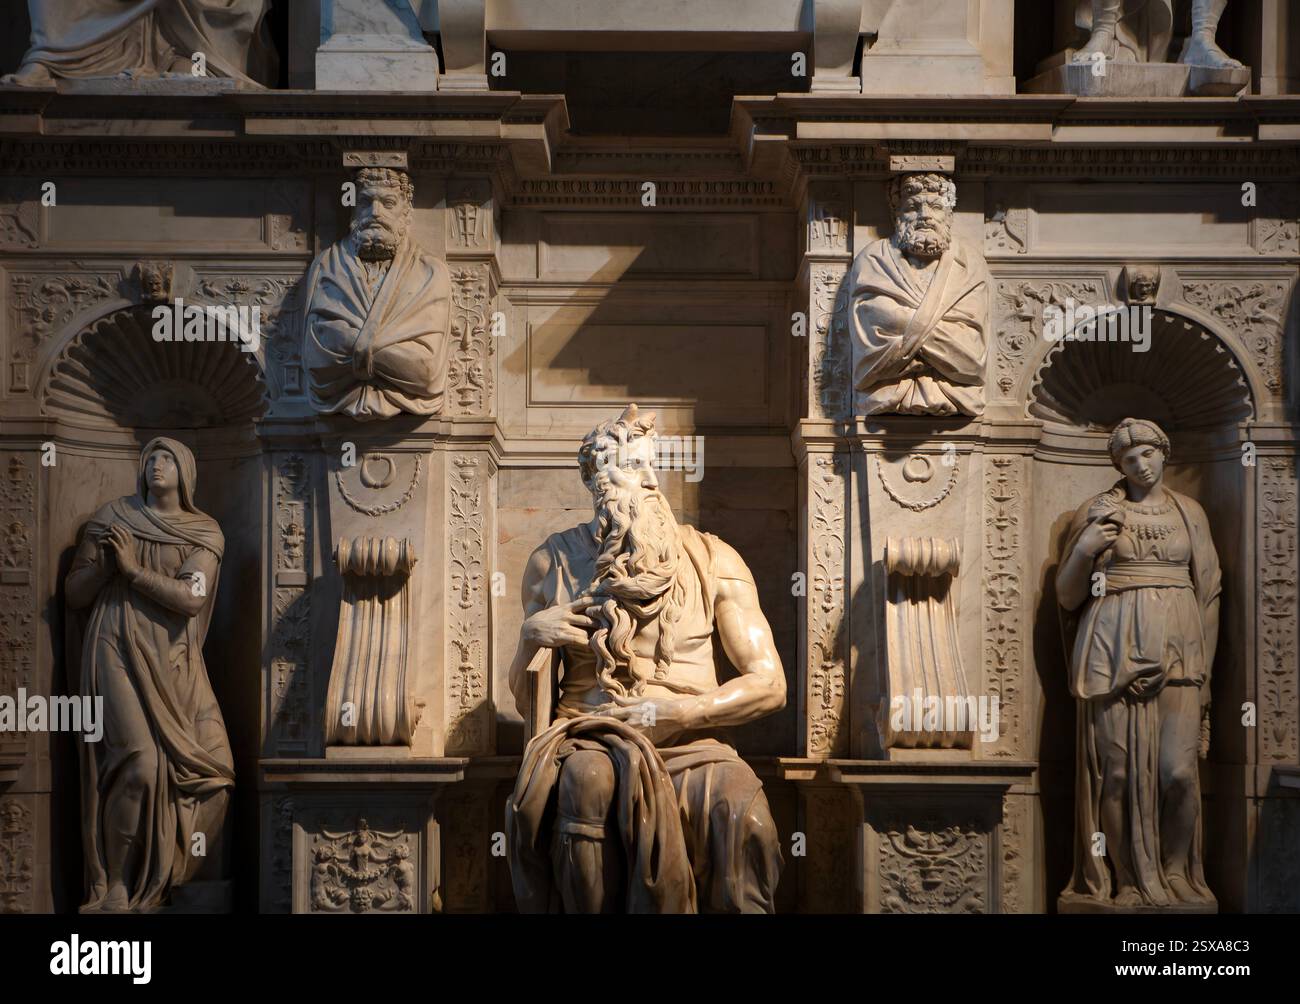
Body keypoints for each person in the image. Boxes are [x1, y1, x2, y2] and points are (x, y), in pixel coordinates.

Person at [505, 404, 786, 913]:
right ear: (594, 479)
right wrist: (532, 636)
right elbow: (530, 705)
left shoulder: (714, 559)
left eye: (653, 466)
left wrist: (683, 713)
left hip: (694, 742)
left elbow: (770, 683)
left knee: (749, 818)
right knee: (585, 784)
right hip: (591, 732)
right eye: (633, 467)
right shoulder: (553, 561)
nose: (653, 481)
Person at [1056, 418, 1220, 909]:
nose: (1140, 464)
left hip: (1180, 650)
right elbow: (1067, 597)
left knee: (1179, 772)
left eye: (1148, 453)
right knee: (1117, 774)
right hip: (1111, 647)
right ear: (1118, 466)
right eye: (1129, 459)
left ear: (1164, 454)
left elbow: (1209, 592)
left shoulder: (1190, 513)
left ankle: (1176, 872)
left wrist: (1205, 671)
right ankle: (1125, 877)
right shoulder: (1098, 512)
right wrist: (1086, 548)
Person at [65, 437, 234, 912]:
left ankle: (185, 883)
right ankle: (117, 882)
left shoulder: (204, 531)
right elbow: (76, 593)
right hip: (114, 645)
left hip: (176, 662)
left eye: (167, 459)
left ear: (186, 472)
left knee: (217, 775)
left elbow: (191, 598)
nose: (157, 466)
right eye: (151, 458)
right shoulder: (111, 518)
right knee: (140, 763)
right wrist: (104, 569)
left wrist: (133, 571)